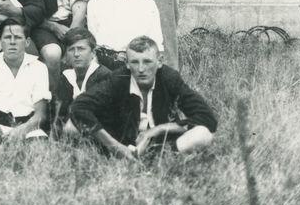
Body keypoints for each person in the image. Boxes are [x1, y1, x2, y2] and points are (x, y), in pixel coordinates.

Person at [68, 35, 216, 157]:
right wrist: (115, 146)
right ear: (127, 63)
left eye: (147, 62)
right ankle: (120, 156)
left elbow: (207, 118)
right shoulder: (118, 79)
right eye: (134, 62)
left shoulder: (169, 78)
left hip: (162, 142)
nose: (141, 69)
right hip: (121, 141)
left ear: (159, 62)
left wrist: (158, 130)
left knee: (203, 135)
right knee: (71, 127)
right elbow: (79, 106)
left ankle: (158, 157)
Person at [0, 20, 51, 141]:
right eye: (7, 37)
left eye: (17, 37)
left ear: (27, 42)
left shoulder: (39, 67)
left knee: (39, 151)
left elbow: (40, 114)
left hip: (29, 127)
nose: (12, 42)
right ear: (0, 41)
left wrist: (21, 130)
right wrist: (2, 135)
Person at [54, 27, 113, 137]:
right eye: (71, 49)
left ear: (93, 53)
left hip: (104, 129)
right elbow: (61, 114)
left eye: (81, 49)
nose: (76, 54)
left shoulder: (103, 75)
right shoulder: (67, 76)